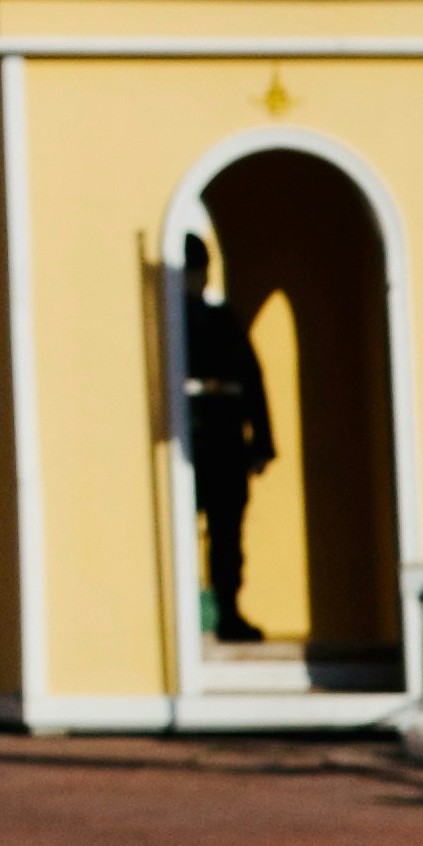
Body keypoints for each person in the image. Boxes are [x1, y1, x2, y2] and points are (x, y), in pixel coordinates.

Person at [182, 235, 275, 643]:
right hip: (189, 441)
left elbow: (253, 380)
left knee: (227, 536)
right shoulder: (171, 319)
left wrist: (262, 442)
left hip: (223, 441)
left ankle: (228, 613)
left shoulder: (222, 319)